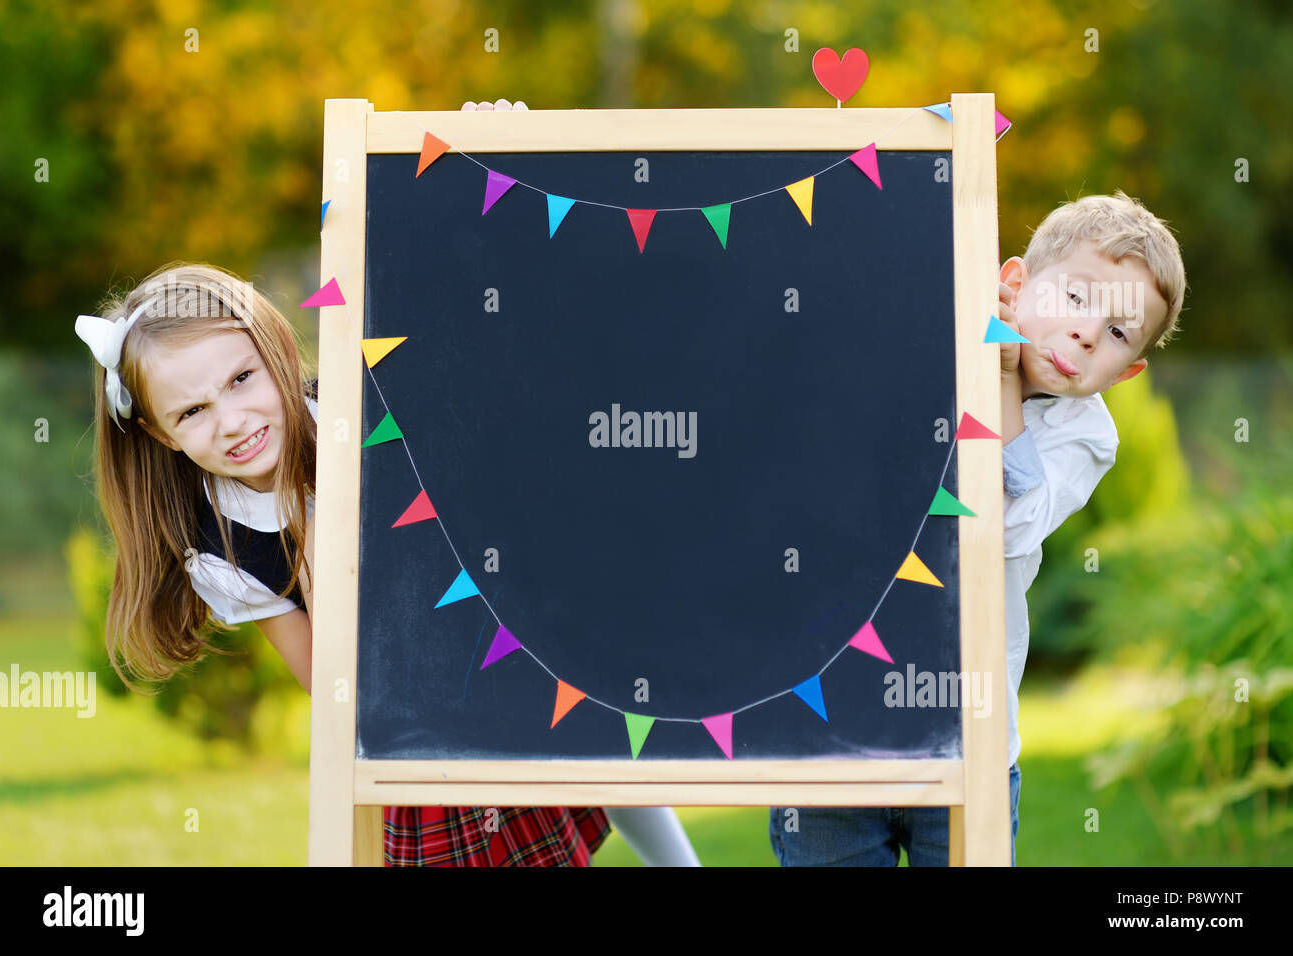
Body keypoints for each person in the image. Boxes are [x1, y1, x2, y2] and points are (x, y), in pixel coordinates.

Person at [76, 261, 697, 865]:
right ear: (160, 434)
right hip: (413, 715)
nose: (232, 422)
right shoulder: (220, 550)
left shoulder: (368, 411)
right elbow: (332, 689)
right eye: (192, 412)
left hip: (496, 627)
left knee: (594, 736)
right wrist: (320, 547)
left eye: (242, 379)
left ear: (279, 352)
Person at [769, 190, 1188, 866]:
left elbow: (1005, 532)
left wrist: (997, 380)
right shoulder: (921, 349)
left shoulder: (1085, 434)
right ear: (1015, 285)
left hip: (973, 742)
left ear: (1127, 372)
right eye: (1077, 298)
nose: (1087, 332)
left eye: (1118, 332)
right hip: (836, 733)